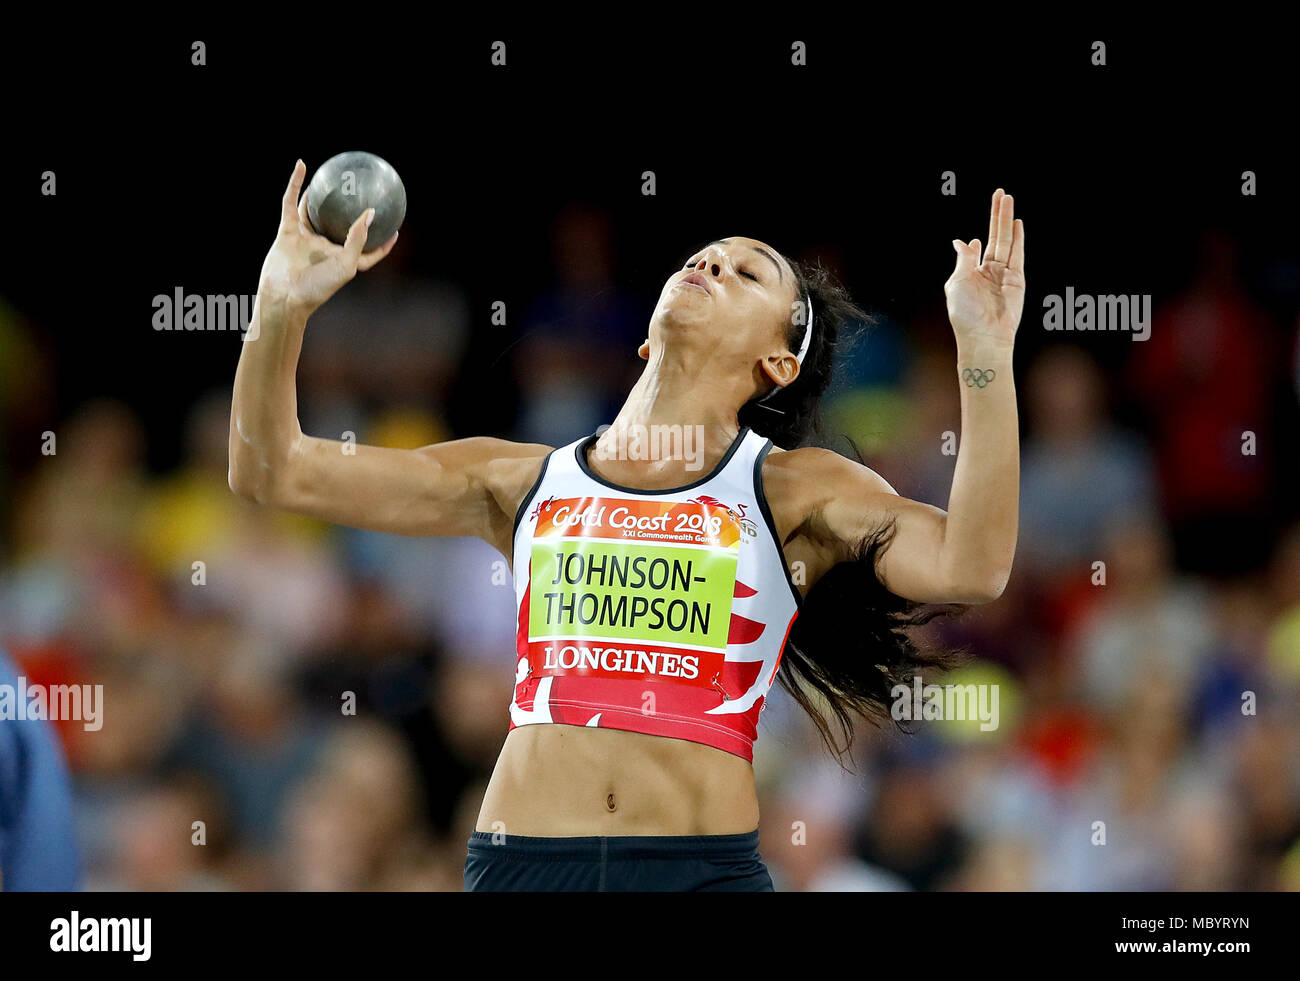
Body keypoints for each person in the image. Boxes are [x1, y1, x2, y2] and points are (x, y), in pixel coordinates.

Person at [229, 161, 1024, 891]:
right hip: (524, 865)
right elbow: (270, 469)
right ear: (646, 335)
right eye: (703, 257)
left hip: (694, 870)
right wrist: (278, 309)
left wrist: (984, 356)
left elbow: (971, 563)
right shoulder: (517, 478)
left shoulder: (793, 488)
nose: (711, 264)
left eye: (747, 272)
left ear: (780, 362)